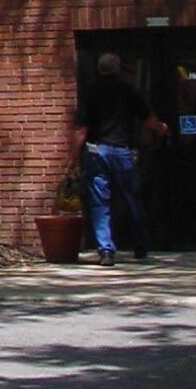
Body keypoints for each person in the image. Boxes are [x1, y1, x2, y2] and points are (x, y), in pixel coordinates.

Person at [73, 51, 162, 267]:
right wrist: (162, 129)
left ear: (99, 69)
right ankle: (140, 245)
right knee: (132, 197)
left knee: (100, 202)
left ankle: (106, 251)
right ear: (117, 68)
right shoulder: (128, 90)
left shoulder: (91, 92)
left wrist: (74, 157)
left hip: (97, 151)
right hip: (122, 151)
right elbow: (148, 119)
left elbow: (82, 129)